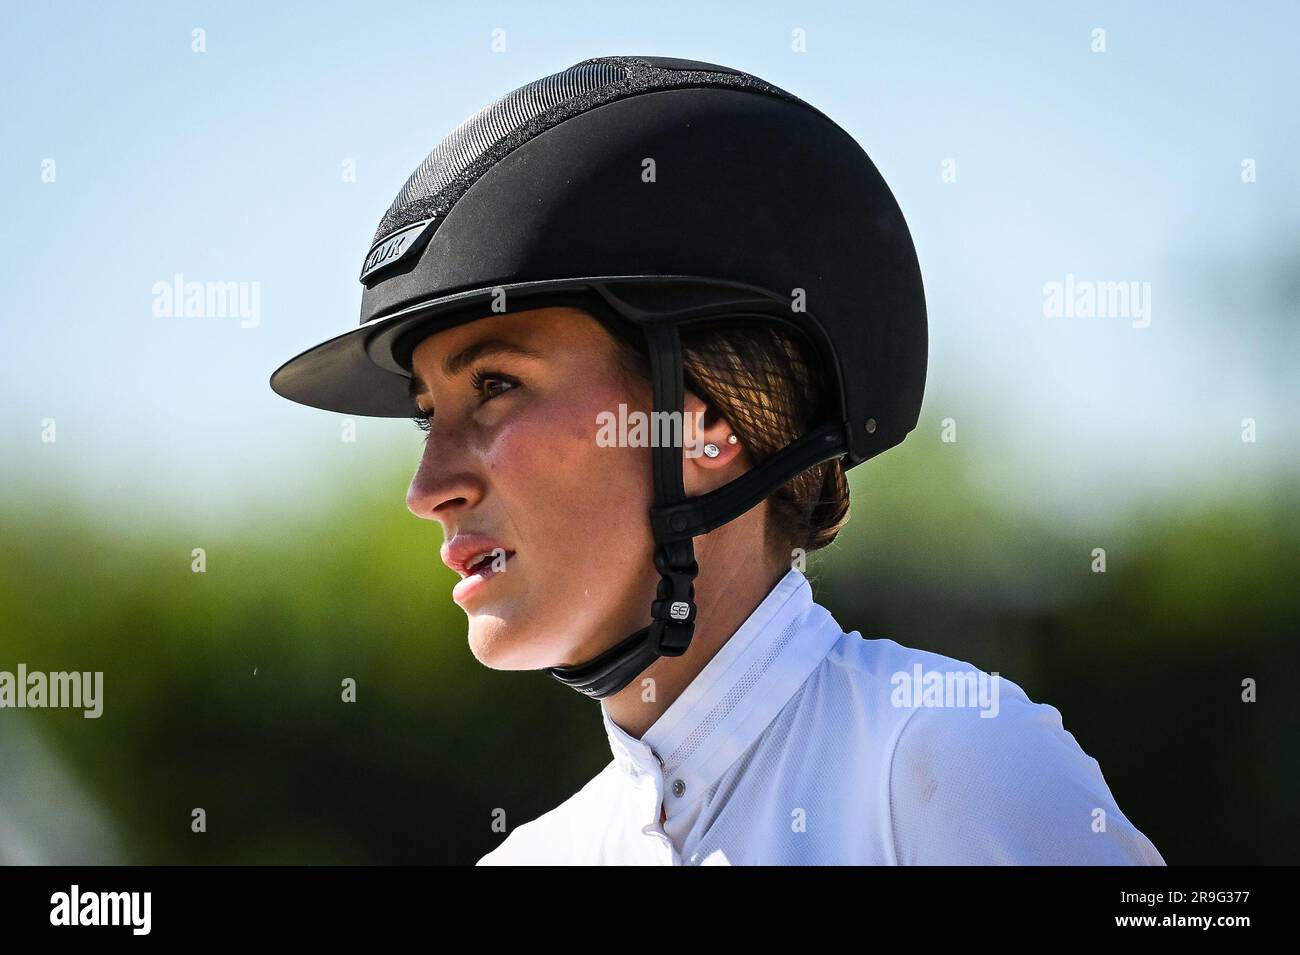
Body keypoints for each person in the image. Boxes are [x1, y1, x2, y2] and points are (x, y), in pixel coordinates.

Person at [270, 55, 1165, 865]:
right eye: (427, 418)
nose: (428, 489)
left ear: (704, 426)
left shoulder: (948, 758)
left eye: (496, 386)